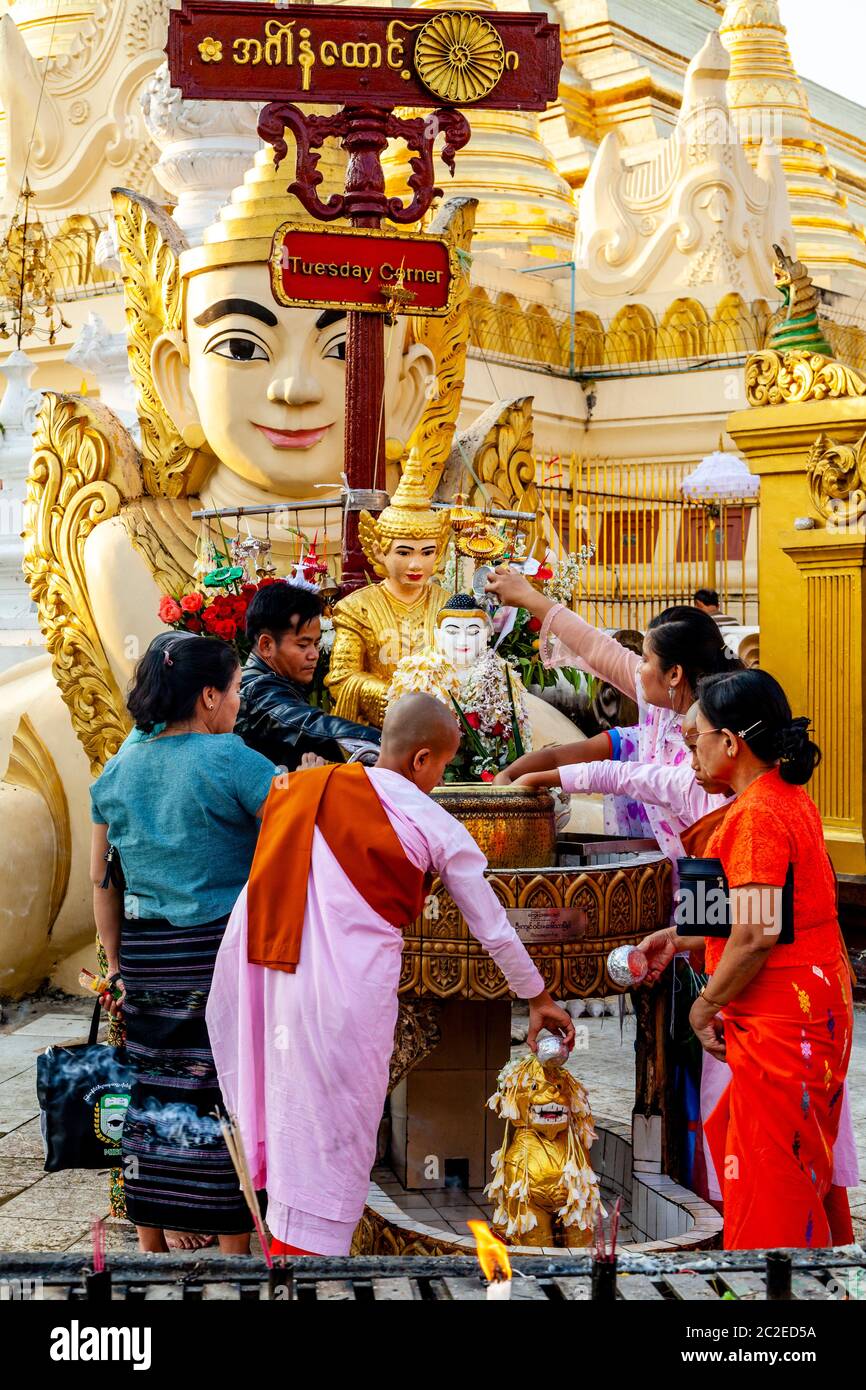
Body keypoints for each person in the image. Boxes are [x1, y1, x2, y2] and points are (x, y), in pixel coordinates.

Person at [207, 692, 574, 1257]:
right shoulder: (433, 821)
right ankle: (309, 1264)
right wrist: (538, 996)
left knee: (293, 1119)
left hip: (278, 980)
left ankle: (288, 1259)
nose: (442, 777)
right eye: (444, 765)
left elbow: (257, 896)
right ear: (422, 760)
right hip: (352, 999)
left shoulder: (307, 788)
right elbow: (494, 927)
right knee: (339, 1129)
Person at [640, 669, 854, 1250]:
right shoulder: (784, 797)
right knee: (792, 1157)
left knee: (773, 1172)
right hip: (812, 996)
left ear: (730, 742)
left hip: (786, 1012)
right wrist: (678, 937)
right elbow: (759, 915)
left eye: (694, 741)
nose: (691, 755)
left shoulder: (757, 815)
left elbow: (757, 933)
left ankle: (771, 1319)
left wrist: (704, 1008)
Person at [90, 631, 280, 1255]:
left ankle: (149, 1244)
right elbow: (293, 828)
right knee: (223, 1095)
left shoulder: (118, 768)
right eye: (233, 692)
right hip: (216, 956)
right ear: (206, 696)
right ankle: (232, 1252)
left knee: (151, 1093)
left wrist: (115, 964)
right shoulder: (230, 759)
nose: (237, 706)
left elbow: (102, 878)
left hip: (146, 959)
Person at [486, 568, 737, 862]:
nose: (637, 668)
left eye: (644, 660)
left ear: (674, 674)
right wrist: (530, 598)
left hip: (718, 886)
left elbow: (628, 776)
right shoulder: (660, 712)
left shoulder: (713, 744)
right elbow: (595, 647)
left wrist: (542, 778)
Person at [237, 580, 380, 769]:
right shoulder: (258, 692)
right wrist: (385, 744)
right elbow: (310, 725)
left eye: (317, 644)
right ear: (267, 645)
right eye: (303, 645)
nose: (314, 655)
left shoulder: (275, 682)